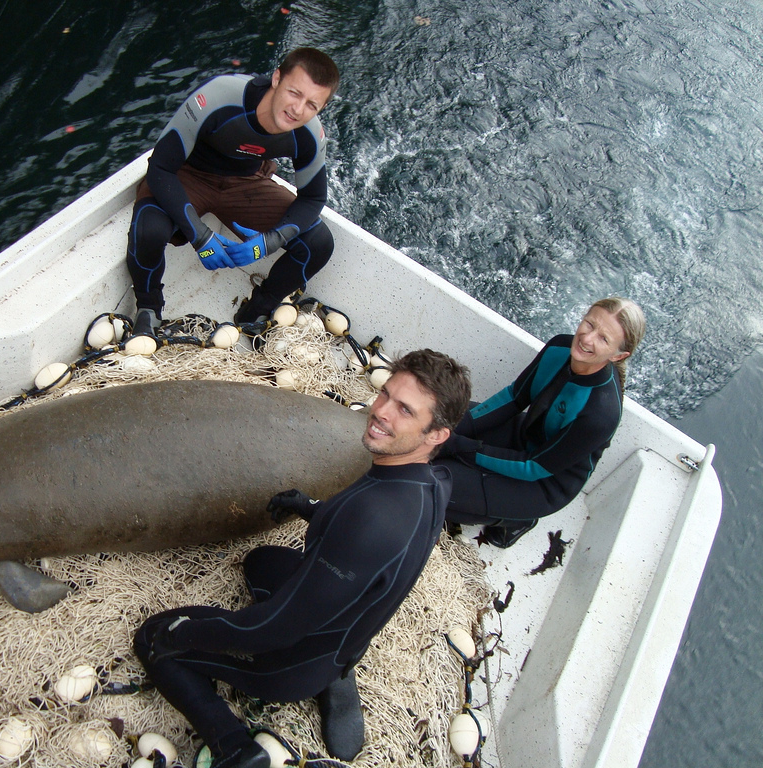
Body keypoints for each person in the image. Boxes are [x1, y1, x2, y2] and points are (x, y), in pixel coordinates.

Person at [133, 350, 471, 768]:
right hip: (347, 628)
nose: (380, 411)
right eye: (385, 393)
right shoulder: (432, 481)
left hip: (289, 665)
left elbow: (269, 629)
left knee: (153, 637)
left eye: (405, 410)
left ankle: (236, 746)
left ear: (436, 434)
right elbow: (359, 537)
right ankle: (336, 666)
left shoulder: (372, 520)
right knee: (260, 562)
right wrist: (308, 506)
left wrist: (182, 635)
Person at [125, 47, 340, 338]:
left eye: (312, 105)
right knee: (149, 228)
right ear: (276, 78)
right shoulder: (220, 96)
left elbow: (313, 197)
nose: (298, 110)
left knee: (319, 242)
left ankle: (256, 311)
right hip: (187, 174)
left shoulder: (309, 134)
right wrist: (200, 235)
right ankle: (148, 310)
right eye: (294, 93)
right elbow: (161, 167)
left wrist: (271, 240)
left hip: (246, 182)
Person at [437, 297, 646, 548]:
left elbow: (533, 467)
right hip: (525, 436)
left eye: (604, 339)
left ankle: (518, 520)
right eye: (590, 324)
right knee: (435, 421)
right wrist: (457, 428)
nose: (587, 339)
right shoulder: (559, 346)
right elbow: (515, 397)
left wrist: (461, 447)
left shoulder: (600, 414)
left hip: (544, 482)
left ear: (618, 355)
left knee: (430, 484)